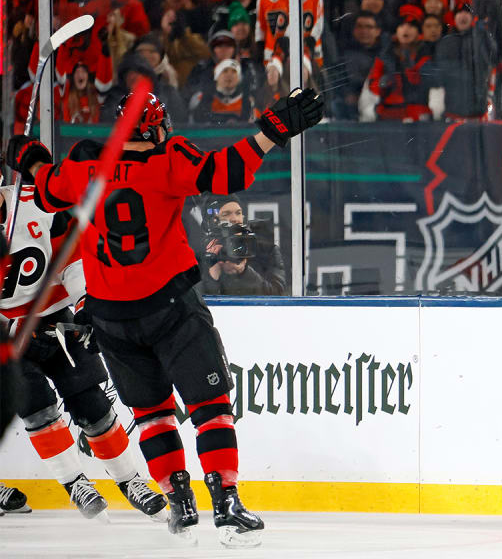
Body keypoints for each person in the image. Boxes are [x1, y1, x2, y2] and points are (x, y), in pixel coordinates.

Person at [5, 87, 324, 545]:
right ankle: (227, 501)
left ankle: (179, 504)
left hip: (111, 317)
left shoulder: (83, 170)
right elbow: (227, 169)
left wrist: (30, 155)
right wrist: (274, 130)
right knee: (210, 407)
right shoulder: (168, 159)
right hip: (169, 308)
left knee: (152, 414)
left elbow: (50, 187)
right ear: (155, 127)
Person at [0, 185, 167, 521]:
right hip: (7, 335)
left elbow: (73, 258)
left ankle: (130, 480)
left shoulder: (34, 203)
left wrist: (84, 305)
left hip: (56, 318)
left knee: (92, 403)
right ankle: (75, 483)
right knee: (37, 407)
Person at [199, 194, 287, 296]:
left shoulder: (266, 250)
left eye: (238, 213)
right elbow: (190, 302)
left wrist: (244, 272)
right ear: (211, 223)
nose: (235, 219)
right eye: (226, 214)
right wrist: (212, 275)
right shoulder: (203, 254)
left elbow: (278, 296)